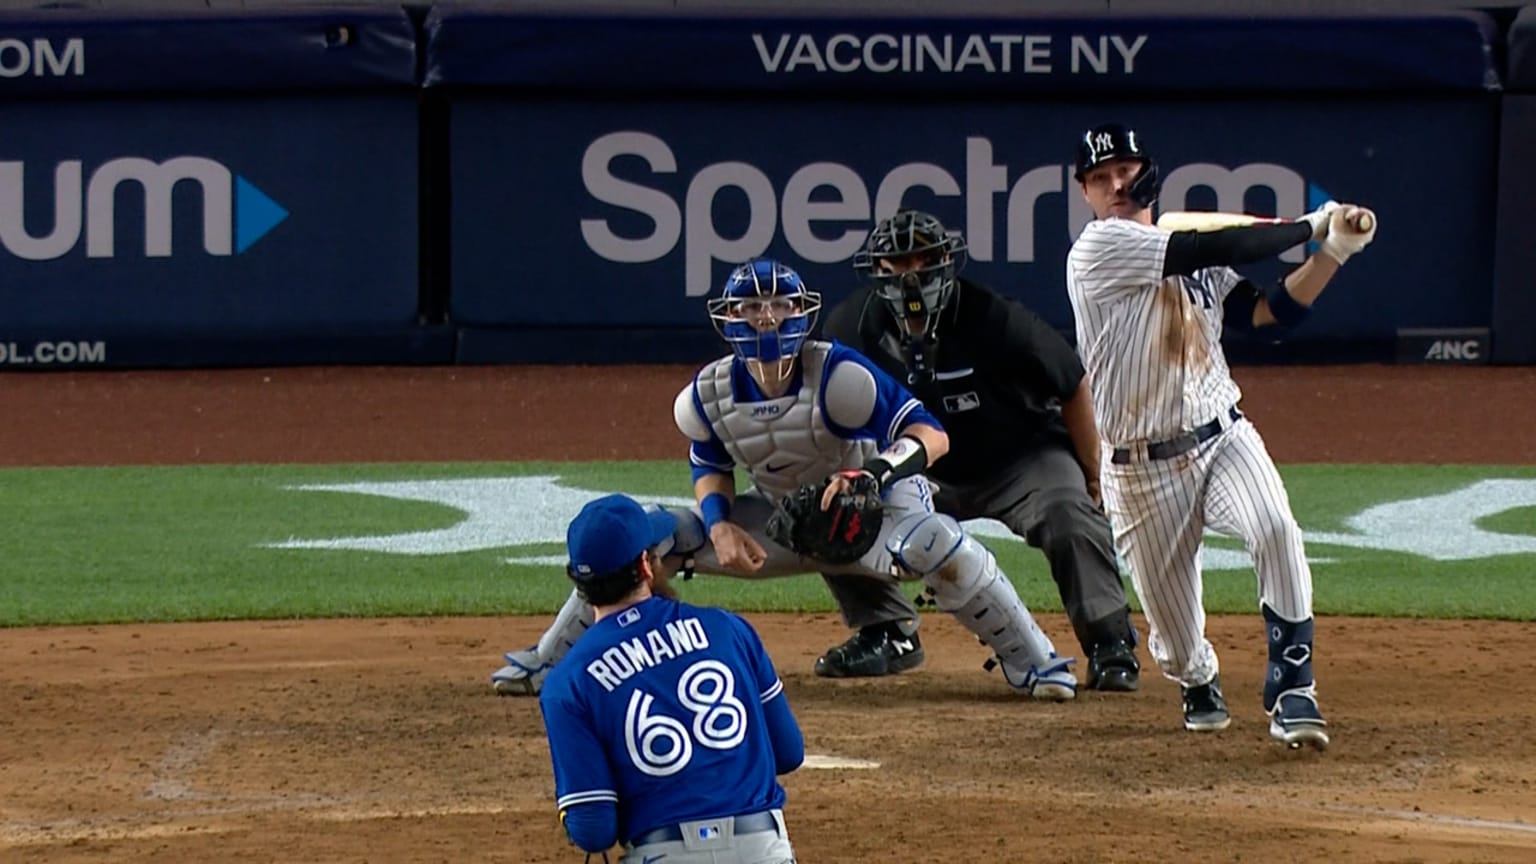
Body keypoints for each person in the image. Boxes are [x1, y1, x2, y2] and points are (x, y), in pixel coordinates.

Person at [495, 257, 1078, 701]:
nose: (766, 317)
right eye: (751, 307)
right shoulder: (707, 394)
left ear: (801, 311)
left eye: (778, 305)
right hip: (781, 522)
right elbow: (710, 464)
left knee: (939, 543)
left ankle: (1035, 662)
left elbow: (931, 434)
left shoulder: (839, 375)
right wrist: (718, 525)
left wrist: (872, 474)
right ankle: (550, 661)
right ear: (729, 318)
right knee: (643, 533)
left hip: (873, 513)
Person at [1064, 121, 1377, 750]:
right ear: (1085, 193)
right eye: (1100, 178)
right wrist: (1312, 226)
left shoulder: (1184, 245)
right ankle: (1197, 677)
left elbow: (1266, 314)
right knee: (1177, 641)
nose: (1115, 185)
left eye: (1124, 171)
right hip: (1140, 470)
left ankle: (1294, 687)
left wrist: (1333, 254)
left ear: (1147, 173)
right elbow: (1220, 246)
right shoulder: (1097, 250)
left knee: (1275, 528)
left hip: (1221, 435)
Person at [819, 209, 1141, 692]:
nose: (910, 276)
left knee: (1068, 510)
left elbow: (1072, 381)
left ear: (946, 262)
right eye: (897, 264)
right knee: (840, 508)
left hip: (1019, 457)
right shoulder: (851, 327)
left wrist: (1094, 474)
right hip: (918, 469)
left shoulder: (994, 316)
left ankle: (1109, 641)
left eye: (922, 260)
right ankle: (887, 633)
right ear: (877, 270)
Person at [538, 492, 803, 863]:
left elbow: (594, 829)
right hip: (762, 851)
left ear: (578, 583)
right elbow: (788, 752)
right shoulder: (728, 629)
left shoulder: (567, 681)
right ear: (646, 566)